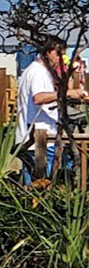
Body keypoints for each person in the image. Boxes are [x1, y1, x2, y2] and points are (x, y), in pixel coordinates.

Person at [15, 37, 87, 178]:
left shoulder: (37, 71)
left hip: (37, 136)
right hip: (40, 139)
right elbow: (39, 97)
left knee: (35, 182)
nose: (60, 57)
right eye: (58, 53)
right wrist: (68, 93)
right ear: (47, 52)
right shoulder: (38, 73)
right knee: (40, 182)